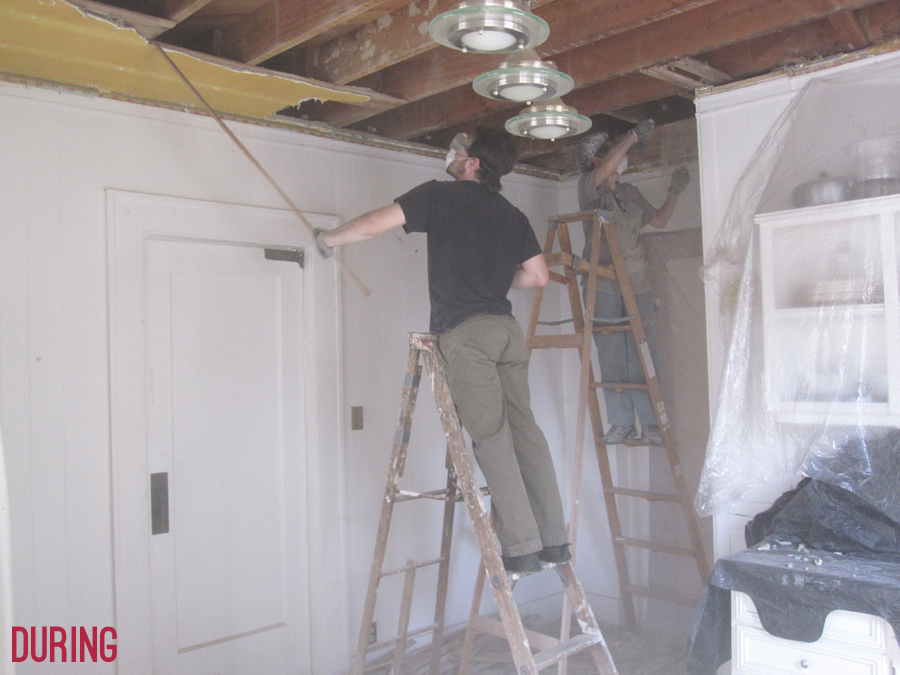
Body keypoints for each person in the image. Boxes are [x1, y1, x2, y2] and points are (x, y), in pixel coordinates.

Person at [314, 127, 569, 573]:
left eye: (458, 150)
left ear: (472, 163)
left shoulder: (440, 196)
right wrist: (490, 277)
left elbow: (375, 223)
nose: (449, 154)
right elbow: (538, 277)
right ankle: (554, 542)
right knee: (526, 433)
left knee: (492, 439)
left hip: (467, 334)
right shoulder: (512, 214)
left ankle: (523, 548)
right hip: (506, 331)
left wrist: (328, 240)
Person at [576, 121, 690, 446]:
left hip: (638, 281)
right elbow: (611, 163)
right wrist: (633, 136)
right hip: (603, 282)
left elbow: (660, 220)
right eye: (608, 156)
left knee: (644, 353)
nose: (616, 161)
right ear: (598, 162)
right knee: (612, 353)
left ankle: (651, 424)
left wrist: (674, 192)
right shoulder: (589, 188)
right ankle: (622, 423)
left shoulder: (630, 192)